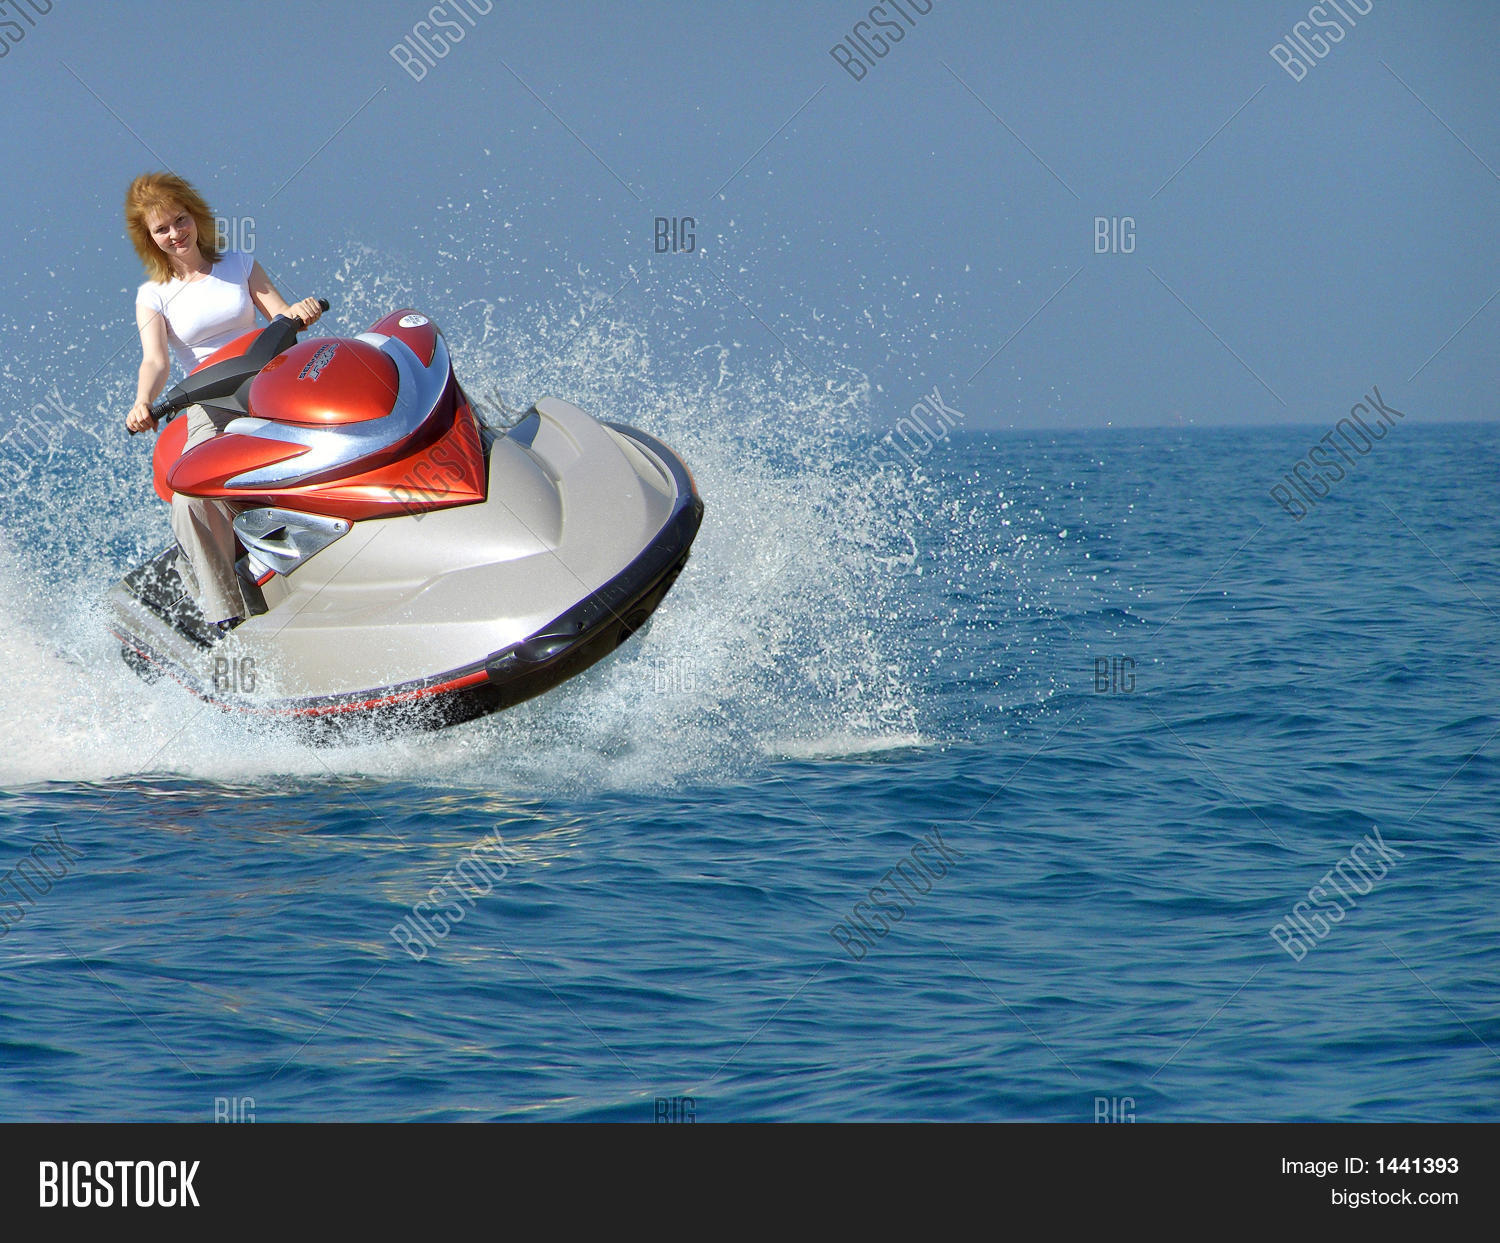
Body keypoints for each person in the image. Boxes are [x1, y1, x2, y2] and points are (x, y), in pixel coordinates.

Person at [124, 172, 322, 631]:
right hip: (211, 402)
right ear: (149, 238)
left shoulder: (238, 263)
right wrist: (142, 402)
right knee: (187, 498)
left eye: (180, 219)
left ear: (195, 216)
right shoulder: (153, 295)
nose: (175, 233)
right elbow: (155, 361)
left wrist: (302, 311)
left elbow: (281, 315)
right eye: (162, 229)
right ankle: (228, 618)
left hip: (271, 382)